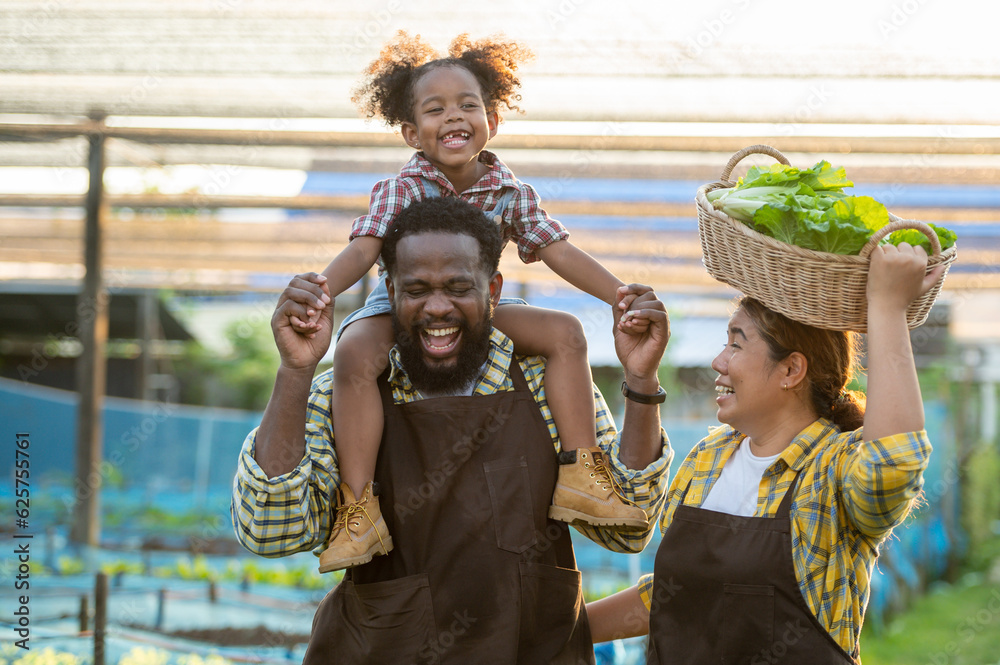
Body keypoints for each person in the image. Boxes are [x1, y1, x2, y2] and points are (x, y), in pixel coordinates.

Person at [232, 196, 673, 664]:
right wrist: (295, 370)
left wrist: (642, 381)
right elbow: (270, 532)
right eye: (417, 289)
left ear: (494, 290)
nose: (437, 307)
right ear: (391, 290)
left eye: (459, 287)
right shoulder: (346, 394)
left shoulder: (548, 386)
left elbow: (629, 529)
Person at [288, 32, 648, 573]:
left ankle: (581, 473)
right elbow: (364, 248)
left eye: (468, 105)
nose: (453, 116)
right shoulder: (400, 188)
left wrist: (619, 296)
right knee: (355, 352)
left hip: (476, 308)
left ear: (493, 120)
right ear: (412, 132)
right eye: (435, 109)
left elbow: (558, 250)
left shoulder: (511, 192)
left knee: (567, 333)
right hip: (396, 310)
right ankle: (357, 507)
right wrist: (320, 292)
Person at [586, 243, 944, 663]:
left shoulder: (831, 468)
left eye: (736, 345)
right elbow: (673, 594)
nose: (718, 361)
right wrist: (549, 631)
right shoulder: (709, 458)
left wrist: (887, 306)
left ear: (791, 370)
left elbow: (893, 462)